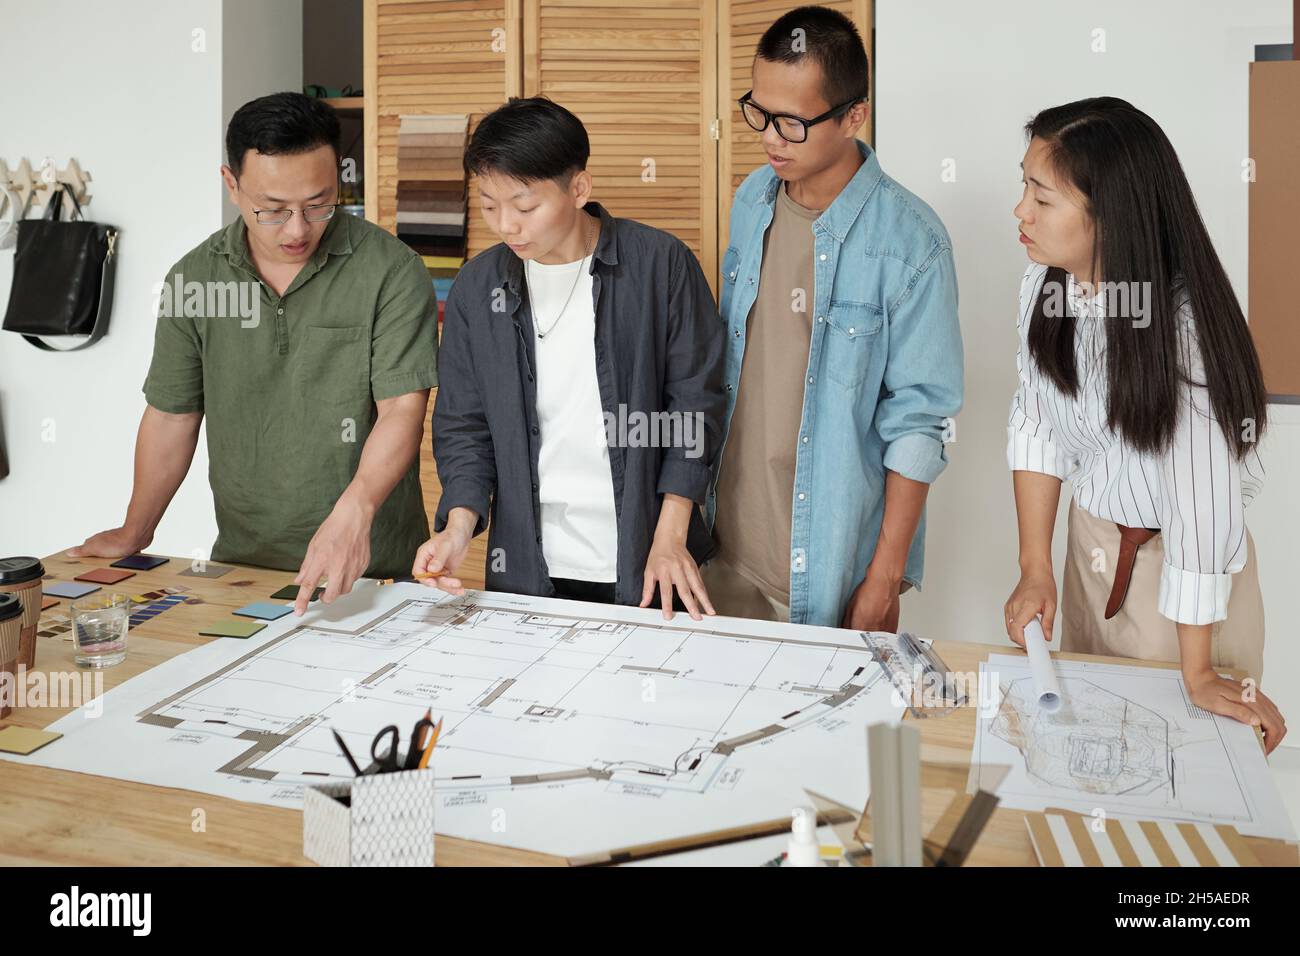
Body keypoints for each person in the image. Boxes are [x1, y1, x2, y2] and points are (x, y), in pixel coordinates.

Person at [69, 92, 438, 615]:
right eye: (273, 209)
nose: (297, 229)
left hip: (376, 571)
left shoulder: (392, 272)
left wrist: (356, 510)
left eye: (318, 204)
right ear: (231, 186)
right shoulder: (194, 279)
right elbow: (173, 414)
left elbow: (402, 408)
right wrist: (137, 528)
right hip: (244, 571)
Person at [1004, 96, 1286, 751]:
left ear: (1112, 216)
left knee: (1175, 767)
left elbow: (1202, 505)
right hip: (1090, 551)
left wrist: (1198, 669)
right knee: (1086, 750)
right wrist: (1034, 566)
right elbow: (1037, 424)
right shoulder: (1046, 287)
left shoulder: (1184, 334)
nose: (1021, 210)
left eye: (1043, 199)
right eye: (1025, 186)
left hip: (1182, 576)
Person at [413, 97, 725, 619]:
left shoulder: (659, 265)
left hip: (648, 565)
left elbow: (695, 407)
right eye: (490, 206)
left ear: (578, 188)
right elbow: (464, 425)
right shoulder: (478, 286)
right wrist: (457, 529)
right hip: (526, 572)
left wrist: (671, 537)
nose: (506, 225)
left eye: (525, 205)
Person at [707, 5, 963, 630]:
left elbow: (919, 423)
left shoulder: (912, 243)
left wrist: (884, 578)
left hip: (822, 569)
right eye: (759, 113)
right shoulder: (751, 200)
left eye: (792, 123)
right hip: (720, 549)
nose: (770, 138)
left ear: (855, 116)